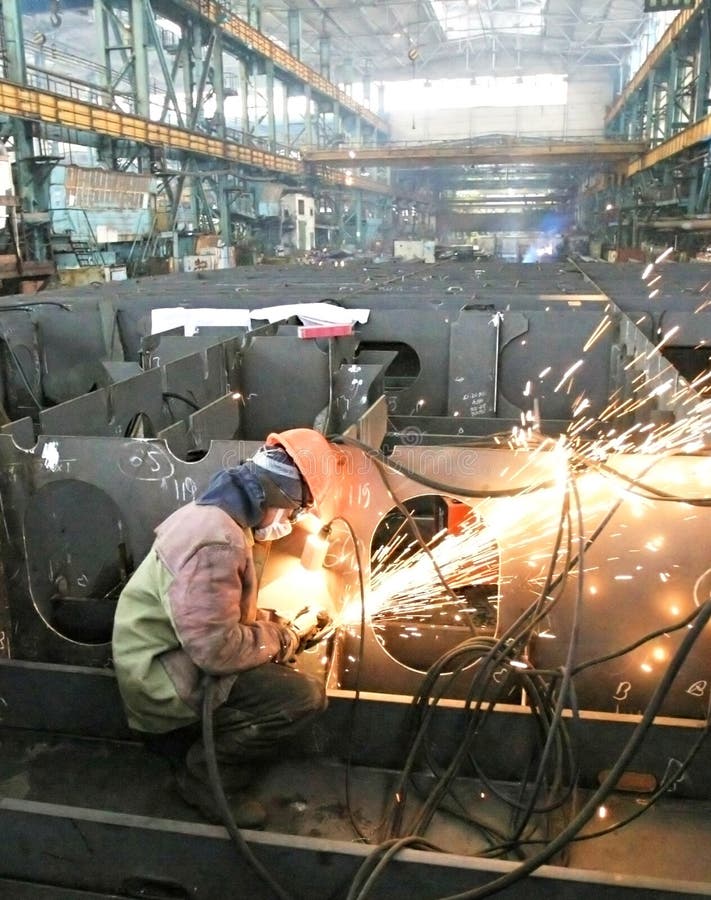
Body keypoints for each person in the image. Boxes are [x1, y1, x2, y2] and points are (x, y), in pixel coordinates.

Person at [111, 429, 337, 829]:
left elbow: (214, 615)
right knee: (300, 696)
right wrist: (286, 639)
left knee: (276, 668)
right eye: (298, 509)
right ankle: (203, 779)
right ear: (285, 495)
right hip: (161, 685)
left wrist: (277, 625)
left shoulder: (214, 516)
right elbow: (216, 651)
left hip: (168, 658)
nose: (293, 520)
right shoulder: (217, 542)